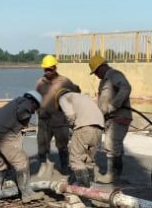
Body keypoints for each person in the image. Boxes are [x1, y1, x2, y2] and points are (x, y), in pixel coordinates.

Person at [0, 91, 45, 202]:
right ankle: (27, 194)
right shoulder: (26, 103)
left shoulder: (15, 102)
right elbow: (22, 114)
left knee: (1, 163)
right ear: (33, 101)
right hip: (2, 133)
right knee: (21, 160)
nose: (34, 111)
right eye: (36, 108)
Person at [89, 53, 132, 184]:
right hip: (110, 118)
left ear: (102, 67)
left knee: (111, 144)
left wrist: (114, 105)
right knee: (115, 146)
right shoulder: (104, 81)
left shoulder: (114, 75)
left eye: (96, 72)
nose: (96, 75)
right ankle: (116, 175)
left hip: (119, 116)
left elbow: (126, 88)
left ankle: (111, 175)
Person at [34, 55, 79, 177]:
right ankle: (44, 166)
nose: (48, 71)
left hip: (60, 119)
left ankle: (65, 167)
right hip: (44, 121)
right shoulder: (40, 83)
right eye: (45, 69)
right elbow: (35, 99)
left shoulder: (65, 81)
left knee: (62, 145)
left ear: (55, 67)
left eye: (50, 69)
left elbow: (76, 94)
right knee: (42, 146)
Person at [55, 89, 104, 188]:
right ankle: (91, 185)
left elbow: (70, 115)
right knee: (89, 160)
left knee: (76, 159)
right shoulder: (83, 97)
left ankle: (83, 188)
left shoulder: (63, 98)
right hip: (99, 127)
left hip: (84, 126)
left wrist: (71, 126)